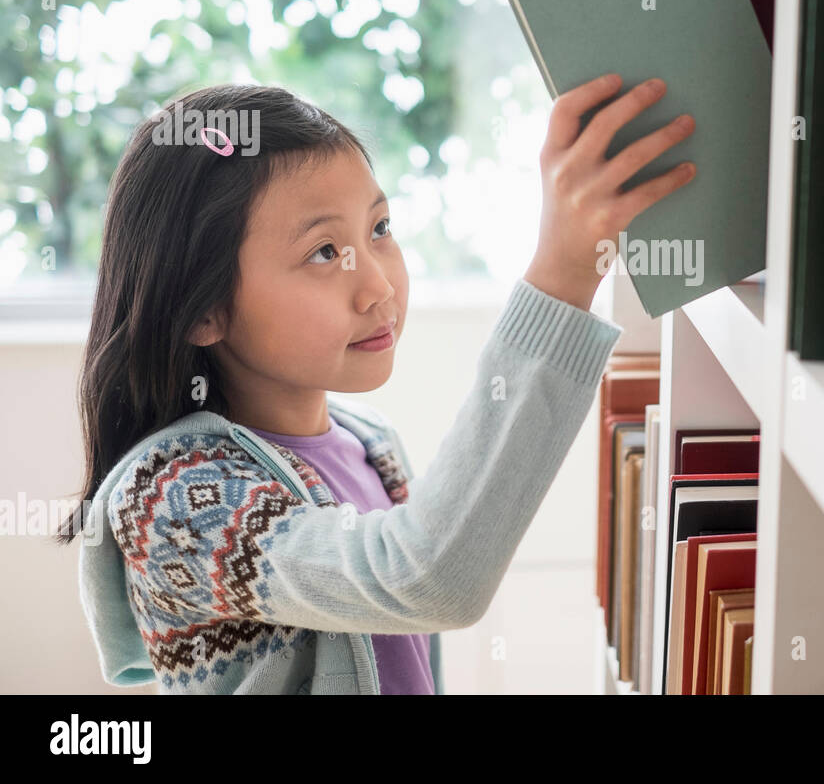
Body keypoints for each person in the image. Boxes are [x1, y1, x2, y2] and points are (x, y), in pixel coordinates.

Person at [61, 76, 695, 693]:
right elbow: (428, 577)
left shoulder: (369, 443)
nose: (379, 287)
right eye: (322, 252)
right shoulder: (171, 499)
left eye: (379, 230)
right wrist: (563, 275)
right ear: (203, 311)